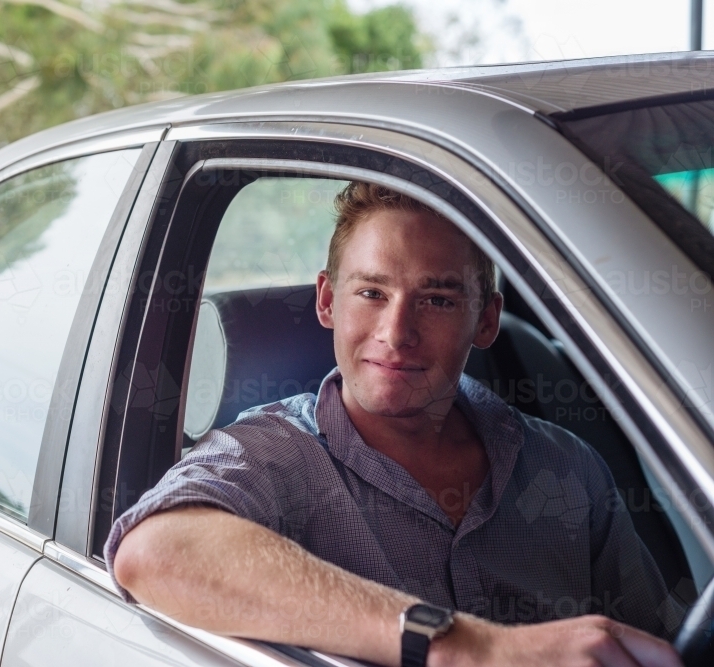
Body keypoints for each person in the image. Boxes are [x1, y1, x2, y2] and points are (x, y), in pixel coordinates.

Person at [105, 182, 682, 667]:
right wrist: (462, 644)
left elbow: (663, 644)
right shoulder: (273, 454)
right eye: (372, 292)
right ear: (328, 302)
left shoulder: (568, 466)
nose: (396, 331)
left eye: (436, 300)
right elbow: (154, 552)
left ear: (485, 320)